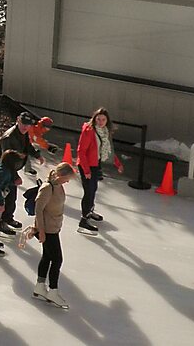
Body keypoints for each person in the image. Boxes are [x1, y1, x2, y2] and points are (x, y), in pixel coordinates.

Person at [32, 162, 77, 309]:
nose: (68, 181)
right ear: (60, 175)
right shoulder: (47, 188)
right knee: (57, 259)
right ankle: (52, 290)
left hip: (54, 227)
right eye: (66, 178)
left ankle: (40, 286)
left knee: (47, 257)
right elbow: (38, 210)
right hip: (48, 229)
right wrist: (41, 231)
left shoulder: (58, 185)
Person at [76, 107, 124, 235]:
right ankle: (83, 220)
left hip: (96, 164)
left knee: (93, 189)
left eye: (103, 119)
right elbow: (81, 151)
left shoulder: (105, 132)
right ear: (94, 119)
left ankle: (90, 211)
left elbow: (108, 151)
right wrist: (86, 170)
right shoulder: (89, 130)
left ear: (107, 121)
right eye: (98, 119)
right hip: (86, 165)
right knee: (89, 192)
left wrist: (117, 164)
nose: (101, 122)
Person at [0, 112, 45, 231]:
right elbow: (6, 160)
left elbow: (27, 146)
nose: (25, 127)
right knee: (3, 198)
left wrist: (37, 155)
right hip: (4, 171)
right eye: (23, 124)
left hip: (12, 170)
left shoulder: (23, 133)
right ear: (18, 120)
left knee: (12, 197)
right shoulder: (9, 137)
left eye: (28, 125)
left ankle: (8, 218)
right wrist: (15, 176)